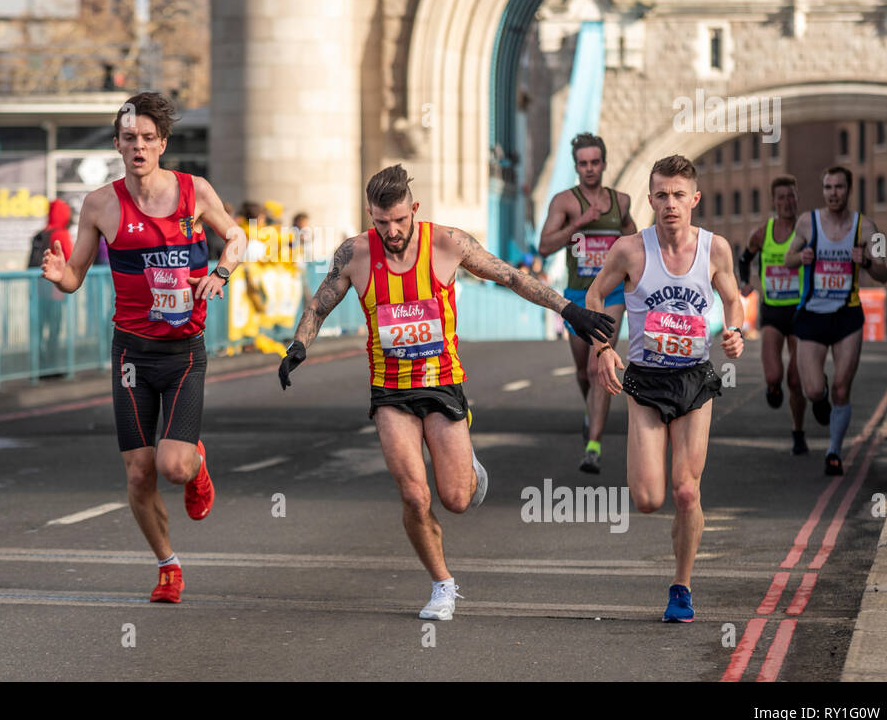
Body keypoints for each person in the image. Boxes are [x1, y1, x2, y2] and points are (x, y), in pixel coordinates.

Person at [276, 165, 615, 621]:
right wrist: (298, 345)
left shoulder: (447, 243)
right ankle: (442, 585)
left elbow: (511, 277)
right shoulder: (355, 253)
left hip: (442, 383)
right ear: (370, 215)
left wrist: (570, 309)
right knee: (415, 496)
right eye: (381, 222)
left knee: (456, 498)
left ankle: (470, 469)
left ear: (414, 209)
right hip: (390, 390)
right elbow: (319, 304)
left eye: (399, 220)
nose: (392, 231)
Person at [40, 92, 246, 604]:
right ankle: (168, 565)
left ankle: (195, 463)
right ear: (116, 143)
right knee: (138, 472)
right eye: (129, 138)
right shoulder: (100, 204)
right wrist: (57, 274)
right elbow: (76, 277)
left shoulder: (193, 191)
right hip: (131, 353)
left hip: (183, 352)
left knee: (172, 467)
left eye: (148, 139)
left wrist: (221, 272)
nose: (138, 146)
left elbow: (237, 237)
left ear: (162, 144)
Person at [590, 154, 745, 623]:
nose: (670, 204)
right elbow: (595, 297)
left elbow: (734, 299)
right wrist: (603, 349)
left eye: (679, 195)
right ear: (651, 198)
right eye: (661, 195)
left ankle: (682, 586)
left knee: (685, 492)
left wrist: (735, 331)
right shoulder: (629, 250)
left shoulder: (715, 249)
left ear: (694, 199)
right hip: (644, 381)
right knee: (648, 499)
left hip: (694, 379)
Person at [537, 133, 638, 473]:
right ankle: (591, 412)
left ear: (604, 164)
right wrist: (580, 222)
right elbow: (544, 247)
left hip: (611, 294)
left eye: (596, 162)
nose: (590, 168)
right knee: (583, 371)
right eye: (584, 163)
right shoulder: (565, 203)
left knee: (599, 368)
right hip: (578, 297)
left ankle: (593, 446)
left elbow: (637, 243)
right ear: (577, 166)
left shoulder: (621, 202)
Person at [784, 166, 887, 475]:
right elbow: (788, 258)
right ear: (823, 190)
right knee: (814, 391)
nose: (833, 193)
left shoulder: (867, 227)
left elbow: (884, 274)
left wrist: (867, 261)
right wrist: (800, 258)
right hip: (812, 315)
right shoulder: (807, 222)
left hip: (847, 316)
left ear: (848, 190)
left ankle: (833, 452)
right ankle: (820, 395)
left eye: (839, 187)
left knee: (843, 389)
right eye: (828, 187)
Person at [737, 175, 809, 454]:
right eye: (782, 197)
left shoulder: (807, 231)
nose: (787, 202)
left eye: (791, 196)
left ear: (797, 199)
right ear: (773, 202)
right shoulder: (762, 233)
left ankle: (798, 432)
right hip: (773, 311)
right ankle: (772, 388)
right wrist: (745, 283)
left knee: (796, 380)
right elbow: (744, 259)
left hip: (801, 311)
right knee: (774, 376)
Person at [30, 200, 74, 372]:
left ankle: (38, 365)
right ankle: (52, 366)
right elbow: (71, 260)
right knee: (54, 329)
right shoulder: (61, 234)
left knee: (39, 328)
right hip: (55, 291)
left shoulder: (40, 233)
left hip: (37, 290)